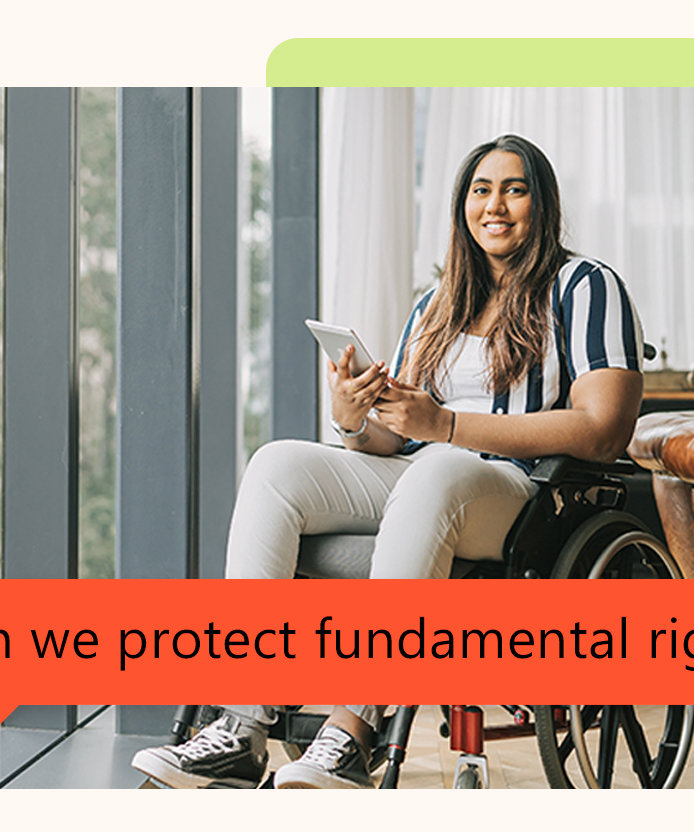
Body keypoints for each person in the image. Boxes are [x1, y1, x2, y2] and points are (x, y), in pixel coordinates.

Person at [131, 134, 645, 789]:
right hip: (422, 480)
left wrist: (449, 426)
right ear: (462, 206)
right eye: (481, 190)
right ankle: (241, 724)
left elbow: (605, 428)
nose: (496, 205)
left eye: (514, 189)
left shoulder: (585, 285)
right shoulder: (438, 303)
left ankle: (353, 725)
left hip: (526, 494)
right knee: (276, 464)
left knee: (436, 469)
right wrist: (354, 417)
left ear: (541, 204)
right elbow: (395, 439)